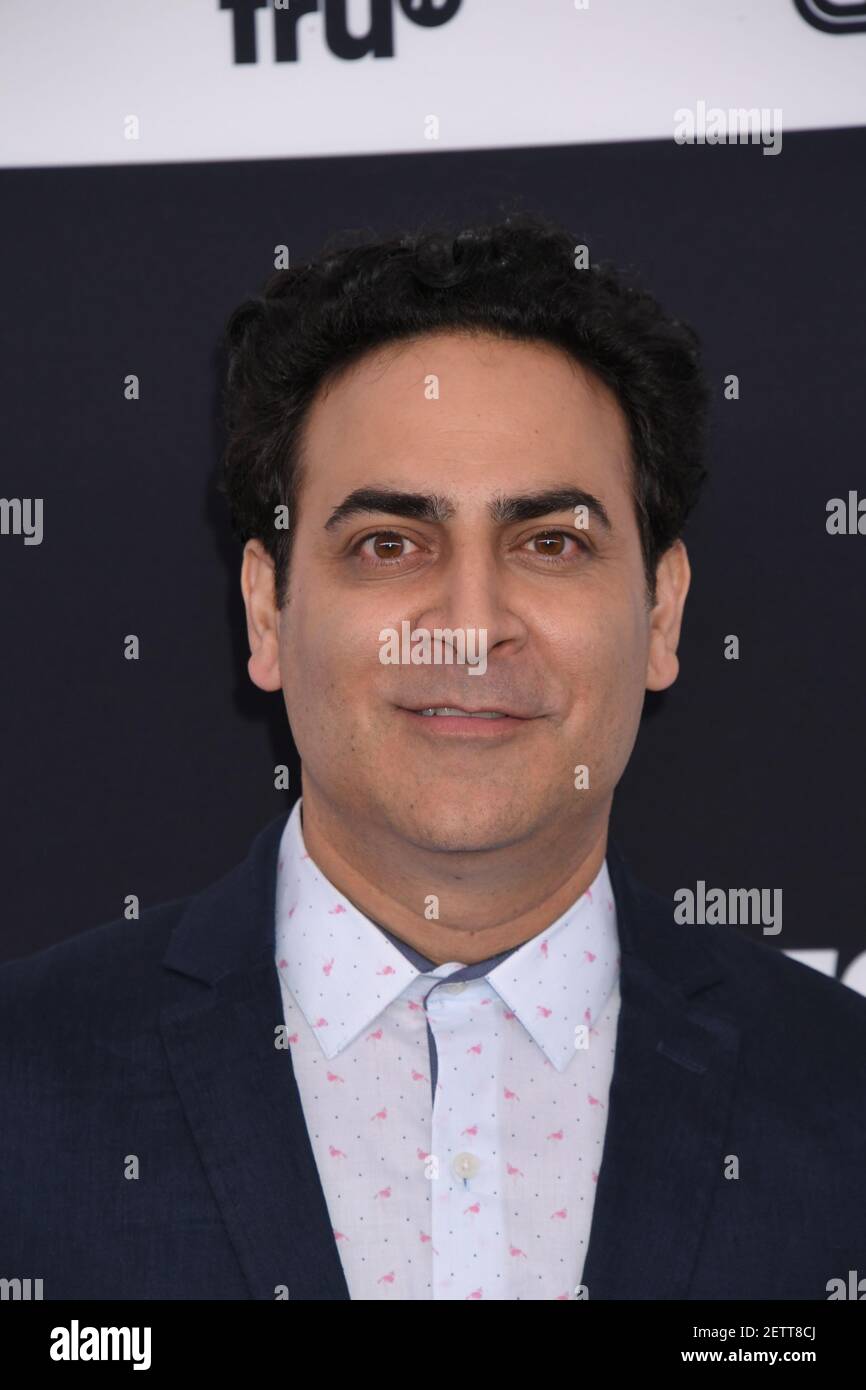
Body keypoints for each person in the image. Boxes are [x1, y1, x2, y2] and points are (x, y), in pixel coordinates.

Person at [2, 215, 865, 1301]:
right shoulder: (21, 1090)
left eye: (548, 541)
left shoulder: (845, 1099)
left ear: (660, 613)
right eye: (389, 544)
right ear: (267, 612)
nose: (468, 625)